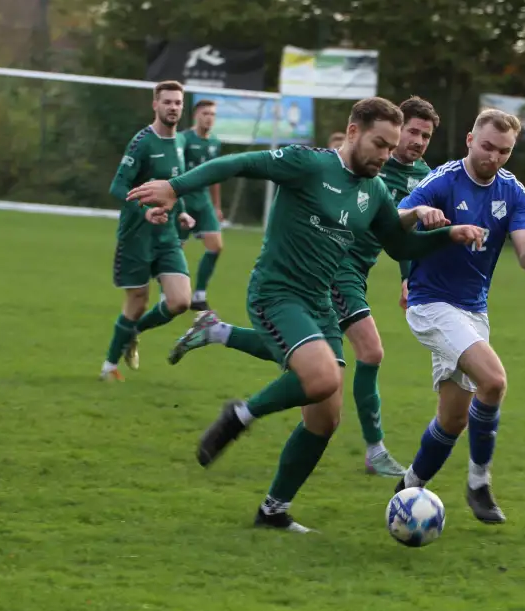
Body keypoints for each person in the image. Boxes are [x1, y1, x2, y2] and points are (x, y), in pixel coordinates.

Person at [127, 97, 485, 532]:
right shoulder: (307, 164)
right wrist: (174, 186)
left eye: (391, 148)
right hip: (277, 293)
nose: (385, 156)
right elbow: (238, 163)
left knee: (325, 418)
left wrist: (449, 234)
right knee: (322, 379)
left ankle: (273, 511)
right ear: (353, 132)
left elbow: (400, 246)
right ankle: (240, 415)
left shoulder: (373, 192)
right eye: (379, 144)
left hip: (319, 302)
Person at [393, 109, 525, 525]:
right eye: (487, 147)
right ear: (469, 139)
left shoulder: (513, 192)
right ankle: (479, 483)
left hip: (473, 310)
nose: (494, 157)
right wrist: (419, 215)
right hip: (430, 304)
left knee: (454, 418)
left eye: (504, 151)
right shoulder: (442, 181)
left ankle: (408, 485)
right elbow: (393, 224)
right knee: (494, 381)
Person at [330, 96, 439, 477]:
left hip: (359, 271)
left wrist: (409, 276)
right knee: (369, 354)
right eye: (412, 131)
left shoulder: (425, 175)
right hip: (334, 267)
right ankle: (375, 449)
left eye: (426, 135)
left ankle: (219, 331)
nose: (419, 141)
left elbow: (403, 235)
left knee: (310, 364)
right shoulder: (370, 162)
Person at [101, 80, 194, 381]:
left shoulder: (180, 142)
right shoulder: (142, 142)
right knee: (138, 300)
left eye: (178, 102)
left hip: (166, 238)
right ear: (155, 104)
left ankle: (134, 332)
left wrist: (182, 214)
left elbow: (173, 188)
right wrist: (145, 210)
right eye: (167, 102)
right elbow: (118, 187)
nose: (173, 107)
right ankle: (109, 367)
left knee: (181, 301)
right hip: (137, 236)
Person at [178, 98, 225, 311]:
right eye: (206, 113)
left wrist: (216, 205)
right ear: (196, 115)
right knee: (176, 248)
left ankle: (199, 295)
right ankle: (168, 294)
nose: (209, 118)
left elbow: (216, 176)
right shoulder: (184, 139)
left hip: (204, 201)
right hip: (184, 199)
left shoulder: (215, 143)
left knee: (216, 246)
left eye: (213, 114)